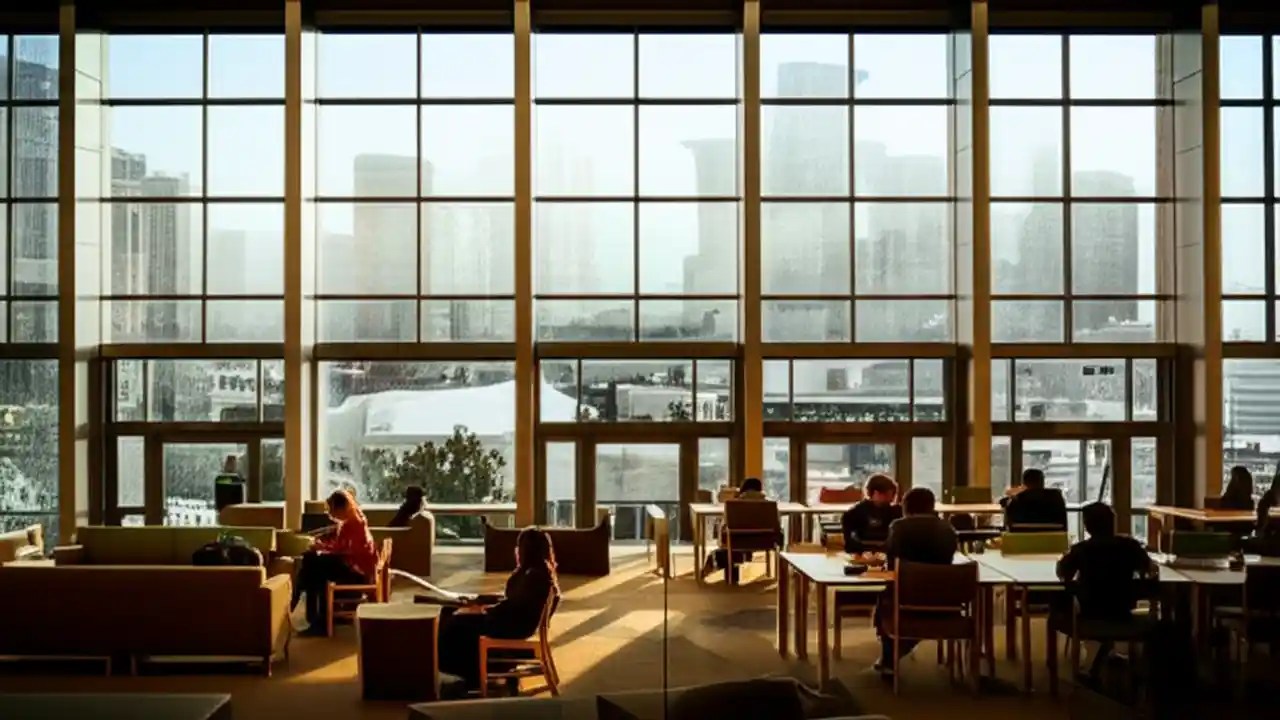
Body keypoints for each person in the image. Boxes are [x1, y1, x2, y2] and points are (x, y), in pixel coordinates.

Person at [438, 527, 561, 690]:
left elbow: (513, 607)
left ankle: (471, 675)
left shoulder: (534, 576)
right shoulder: (538, 573)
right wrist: (485, 601)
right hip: (511, 622)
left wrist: (485, 610)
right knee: (449, 613)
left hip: (510, 626)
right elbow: (514, 602)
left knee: (455, 625)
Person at [1054, 502, 1158, 682]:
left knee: (1054, 614)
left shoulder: (1081, 549)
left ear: (1087, 526)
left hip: (1088, 617)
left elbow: (1063, 574)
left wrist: (1062, 560)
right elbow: (1151, 571)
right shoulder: (1130, 546)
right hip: (1123, 615)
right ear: (1113, 523)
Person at [874, 487, 958, 675]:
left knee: (885, 598)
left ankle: (891, 654)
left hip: (906, 598)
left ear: (906, 506)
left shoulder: (899, 527)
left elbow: (891, 561)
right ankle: (898, 651)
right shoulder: (948, 528)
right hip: (945, 599)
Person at [290, 489, 378, 636]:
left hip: (356, 574)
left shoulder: (354, 524)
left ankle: (302, 604)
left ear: (343, 508)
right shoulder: (353, 520)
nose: (331, 514)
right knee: (312, 563)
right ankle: (313, 615)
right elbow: (341, 548)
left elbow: (345, 551)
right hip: (353, 567)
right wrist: (322, 547)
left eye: (332, 510)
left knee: (313, 567)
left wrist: (322, 548)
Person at [700, 478, 779, 582]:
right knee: (733, 547)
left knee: (728, 547)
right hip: (766, 541)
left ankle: (728, 573)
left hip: (737, 541)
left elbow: (726, 525)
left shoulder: (733, 505)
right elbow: (776, 525)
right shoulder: (770, 505)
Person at [842, 474, 903, 553]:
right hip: (861, 555)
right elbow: (849, 543)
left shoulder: (897, 512)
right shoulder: (854, 513)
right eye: (887, 495)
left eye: (893, 495)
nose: (891, 499)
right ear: (875, 493)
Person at [1001, 468, 1068, 531]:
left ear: (1024, 483)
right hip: (1054, 542)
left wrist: (1019, 492)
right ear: (1042, 482)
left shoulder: (1016, 500)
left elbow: (1002, 503)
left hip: (1021, 542)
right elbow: (1064, 526)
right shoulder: (1056, 497)